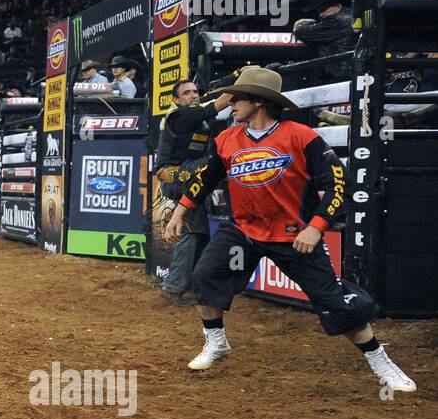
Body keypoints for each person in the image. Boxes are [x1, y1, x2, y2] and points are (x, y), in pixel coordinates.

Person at [164, 66, 414, 392]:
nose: (230, 103)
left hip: (294, 237)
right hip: (244, 233)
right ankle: (217, 341)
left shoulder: (301, 136)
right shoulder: (226, 139)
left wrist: (317, 227)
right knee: (206, 275)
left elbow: (338, 183)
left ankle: (380, 359)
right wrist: (179, 212)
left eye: (237, 97)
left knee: (333, 301)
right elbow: (205, 179)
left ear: (258, 101)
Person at [155, 81, 232, 306]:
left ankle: (183, 285)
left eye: (196, 92)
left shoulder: (197, 118)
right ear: (176, 100)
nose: (193, 95)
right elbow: (221, 102)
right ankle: (173, 287)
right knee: (217, 161)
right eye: (186, 93)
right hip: (176, 178)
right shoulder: (181, 116)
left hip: (186, 179)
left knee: (196, 230)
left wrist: (236, 76)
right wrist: (246, 80)